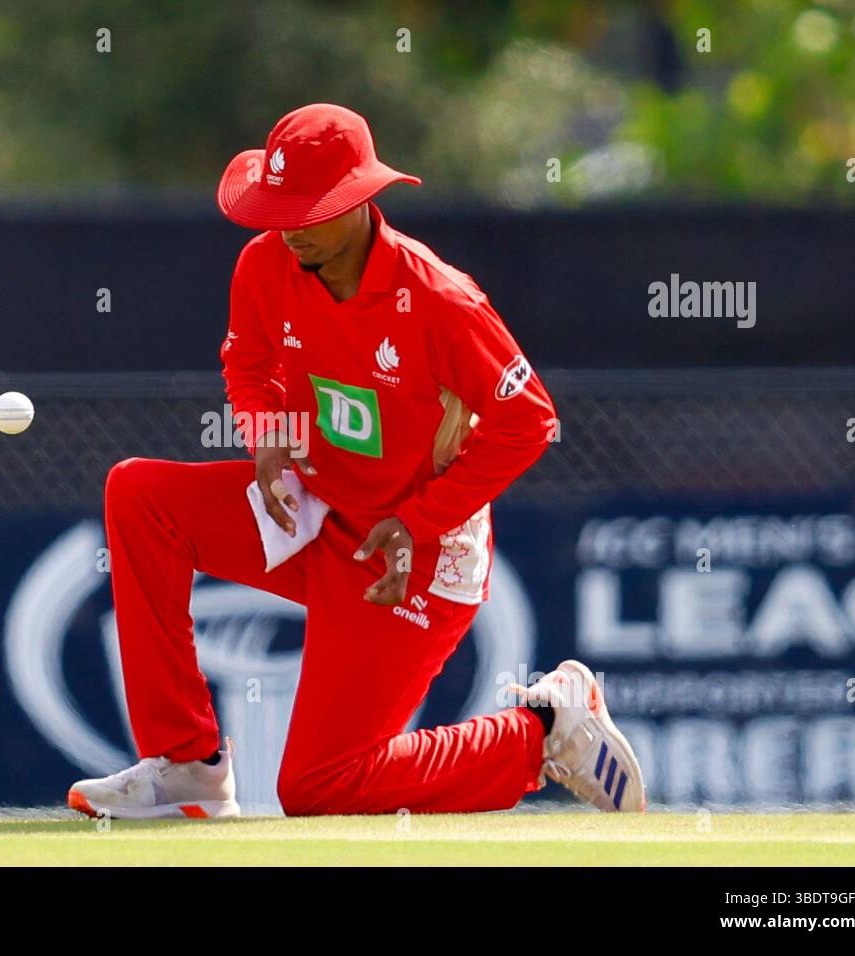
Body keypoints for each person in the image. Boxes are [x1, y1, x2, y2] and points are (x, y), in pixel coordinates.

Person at [68, 104, 644, 818]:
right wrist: (268, 431)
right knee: (139, 495)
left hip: (412, 555)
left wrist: (419, 519)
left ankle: (546, 729)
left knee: (315, 788)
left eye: (311, 209)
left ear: (364, 198)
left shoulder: (440, 299)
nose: (292, 226)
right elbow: (249, 362)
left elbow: (529, 422)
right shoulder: (265, 263)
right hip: (313, 516)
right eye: (280, 208)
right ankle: (186, 768)